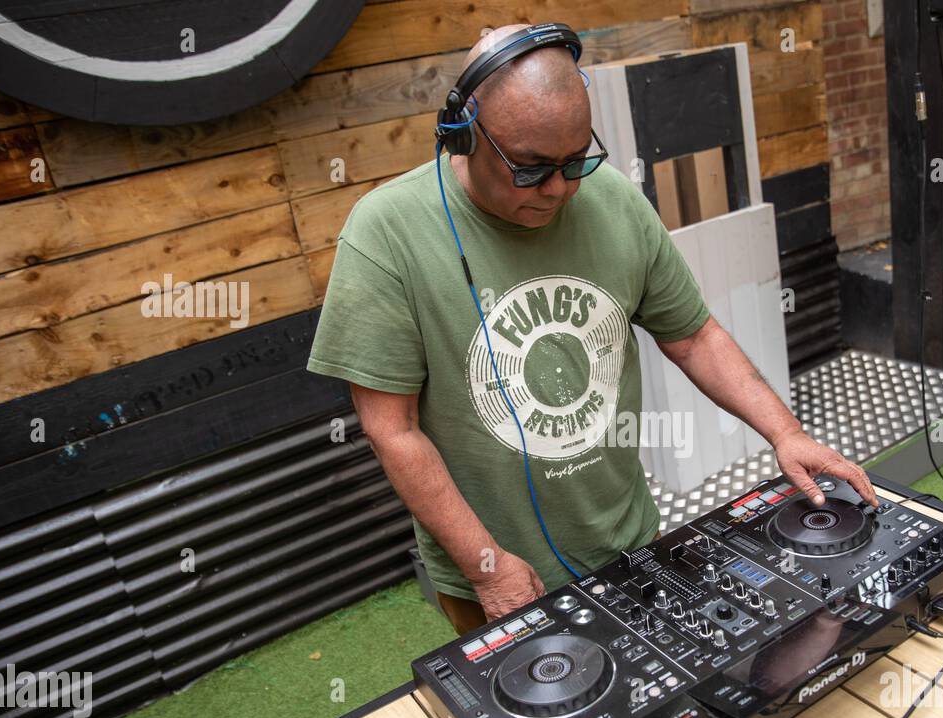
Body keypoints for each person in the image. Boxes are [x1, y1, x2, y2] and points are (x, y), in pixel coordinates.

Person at [307, 22, 878, 636]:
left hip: (628, 537)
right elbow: (392, 429)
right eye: (531, 168)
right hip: (493, 567)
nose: (560, 189)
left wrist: (785, 433)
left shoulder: (614, 200)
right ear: (465, 132)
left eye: (575, 160)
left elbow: (693, 336)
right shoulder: (384, 233)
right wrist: (486, 566)